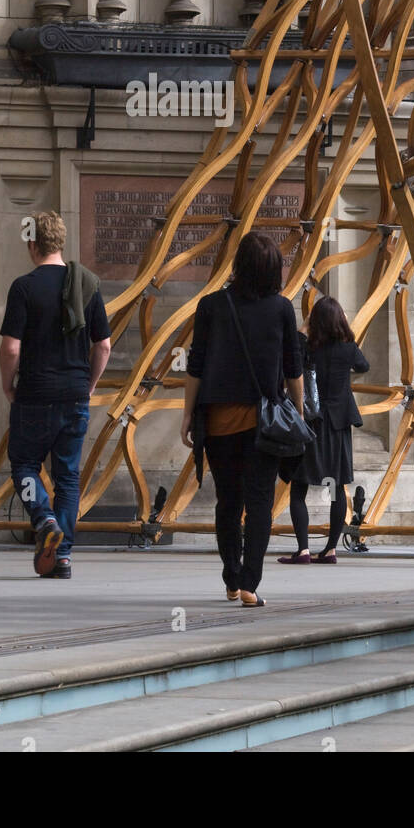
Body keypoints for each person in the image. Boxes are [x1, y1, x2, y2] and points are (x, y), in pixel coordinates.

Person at [182, 232, 303, 607]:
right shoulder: (282, 309)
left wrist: (187, 414)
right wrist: (297, 412)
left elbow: (196, 366)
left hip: (218, 424)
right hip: (263, 427)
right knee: (260, 503)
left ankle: (232, 578)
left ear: (238, 265)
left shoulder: (211, 306)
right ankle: (250, 583)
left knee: (228, 503)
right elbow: (293, 370)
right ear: (272, 270)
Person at [0, 211, 111, 580]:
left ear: (32, 244)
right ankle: (61, 556)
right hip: (75, 394)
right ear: (60, 242)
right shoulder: (87, 285)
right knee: (67, 477)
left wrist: (6, 384)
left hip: (33, 394)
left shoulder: (23, 287)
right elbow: (104, 346)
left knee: (25, 466)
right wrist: (90, 384)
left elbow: (11, 348)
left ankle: (44, 518)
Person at [277, 296, 367, 566]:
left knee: (299, 487)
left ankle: (303, 550)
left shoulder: (307, 347)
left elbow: (290, 356)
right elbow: (363, 366)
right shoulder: (348, 348)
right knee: (336, 487)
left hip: (310, 422)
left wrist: (304, 328)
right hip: (338, 424)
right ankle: (329, 550)